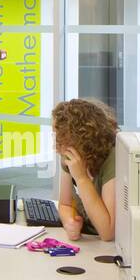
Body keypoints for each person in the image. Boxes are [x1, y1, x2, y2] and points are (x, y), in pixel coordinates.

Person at [52, 98, 118, 242]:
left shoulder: (113, 159)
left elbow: (108, 232)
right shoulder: (69, 155)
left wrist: (82, 178)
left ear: (81, 140)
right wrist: (69, 221)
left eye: (60, 137)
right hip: (89, 242)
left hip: (108, 246)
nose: (57, 146)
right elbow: (65, 204)